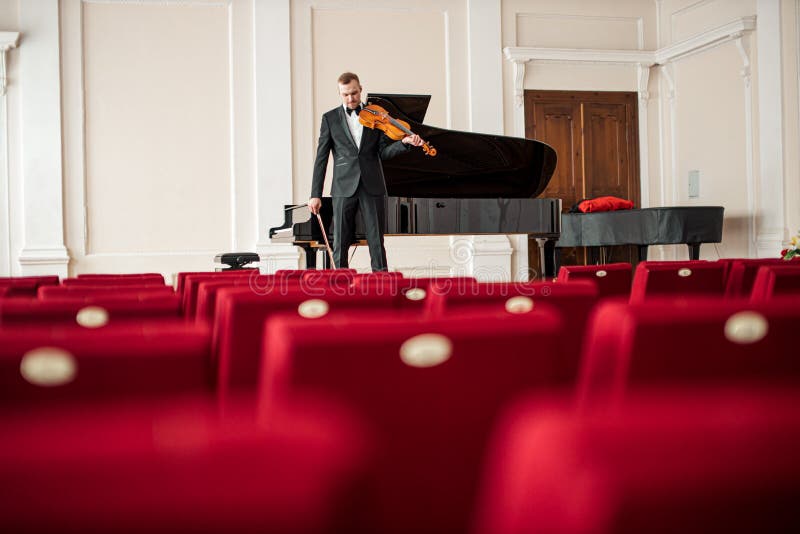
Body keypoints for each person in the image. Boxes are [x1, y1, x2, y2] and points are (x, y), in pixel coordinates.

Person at [308, 72, 423, 271]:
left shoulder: (377, 116)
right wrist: (315, 194)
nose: (350, 98)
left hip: (372, 185)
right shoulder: (330, 118)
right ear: (339, 93)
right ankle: (339, 288)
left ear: (361, 89)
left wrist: (403, 143)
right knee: (340, 243)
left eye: (354, 93)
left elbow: (383, 153)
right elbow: (321, 158)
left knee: (377, 243)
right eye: (345, 95)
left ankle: (382, 288)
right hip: (343, 187)